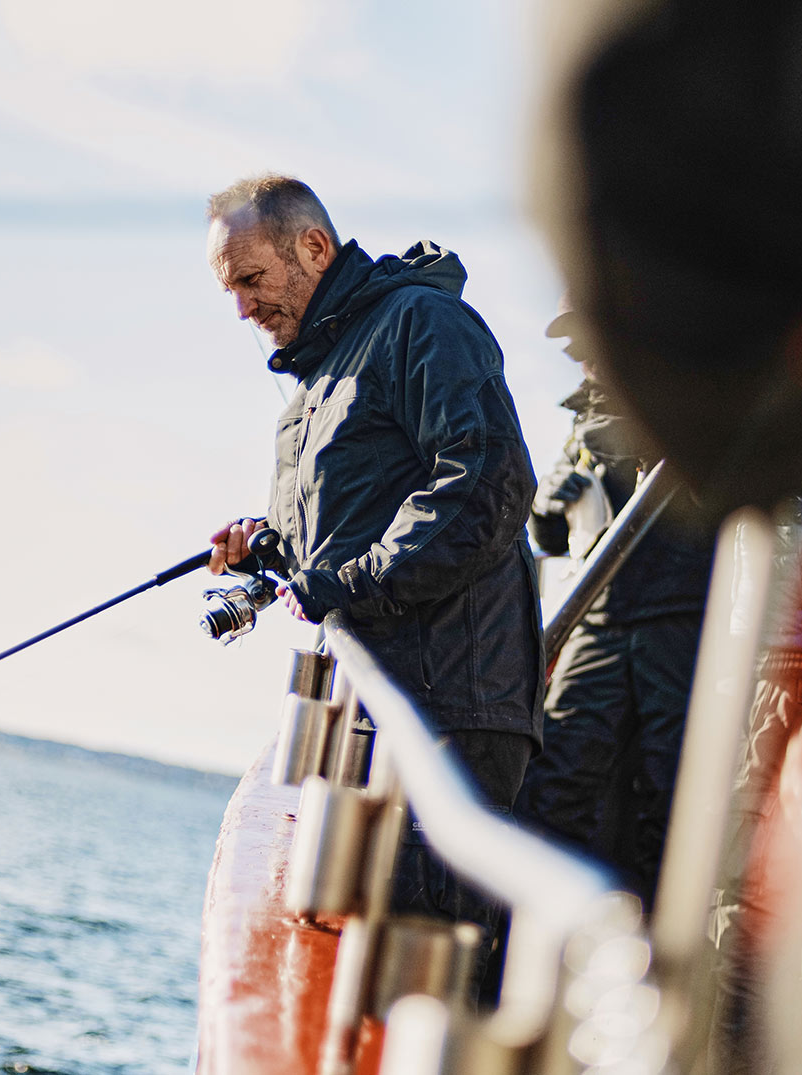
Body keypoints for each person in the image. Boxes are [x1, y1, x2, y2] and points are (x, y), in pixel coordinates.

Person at [202, 174, 543, 965]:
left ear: (313, 247)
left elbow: (487, 481)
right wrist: (273, 543)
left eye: (250, 281)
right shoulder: (322, 373)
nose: (243, 310)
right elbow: (354, 526)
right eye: (231, 291)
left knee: (413, 979)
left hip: (450, 714)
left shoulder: (422, 322)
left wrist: (342, 583)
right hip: (383, 706)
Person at [514, 298, 715, 910]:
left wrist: (645, 427)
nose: (575, 352)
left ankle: (659, 947)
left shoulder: (685, 394)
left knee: (671, 788)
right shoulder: (583, 425)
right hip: (595, 621)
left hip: (677, 621)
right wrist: (548, 504)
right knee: (556, 778)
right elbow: (548, 539)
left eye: (583, 337)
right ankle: (533, 932)